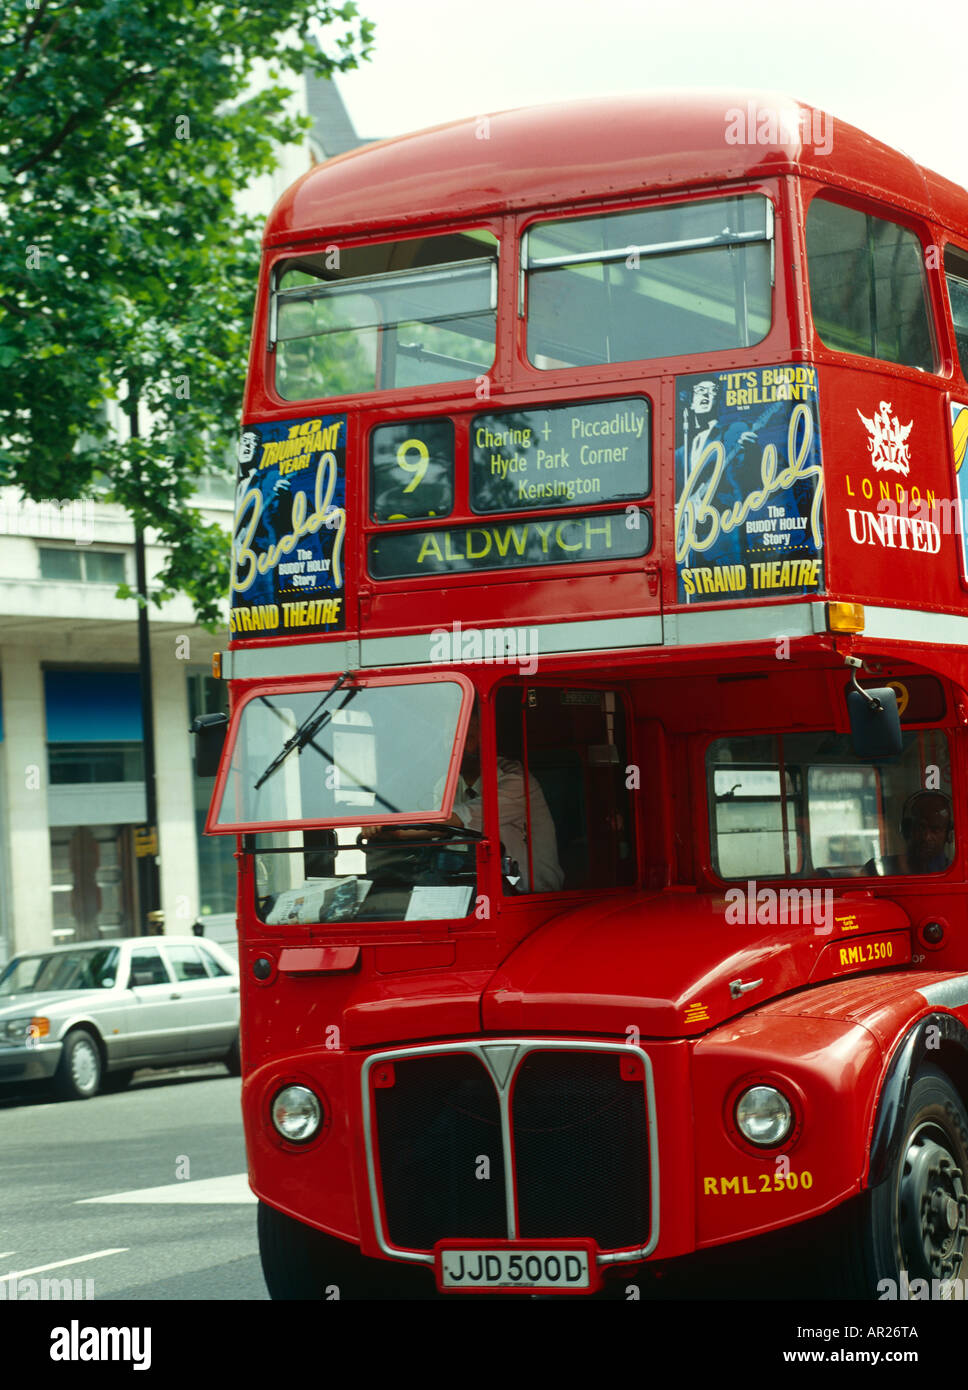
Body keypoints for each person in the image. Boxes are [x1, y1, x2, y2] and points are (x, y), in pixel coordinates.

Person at [363, 705, 563, 893]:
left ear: (487, 740)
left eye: (468, 736)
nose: (455, 745)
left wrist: (393, 830)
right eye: (450, 737)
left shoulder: (515, 781)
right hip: (471, 885)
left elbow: (450, 821)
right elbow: (441, 834)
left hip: (528, 894)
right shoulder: (445, 782)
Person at [866, 790, 953, 876]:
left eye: (935, 830)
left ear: (948, 834)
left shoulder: (957, 872)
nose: (927, 837)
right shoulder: (876, 869)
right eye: (920, 828)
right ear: (906, 829)